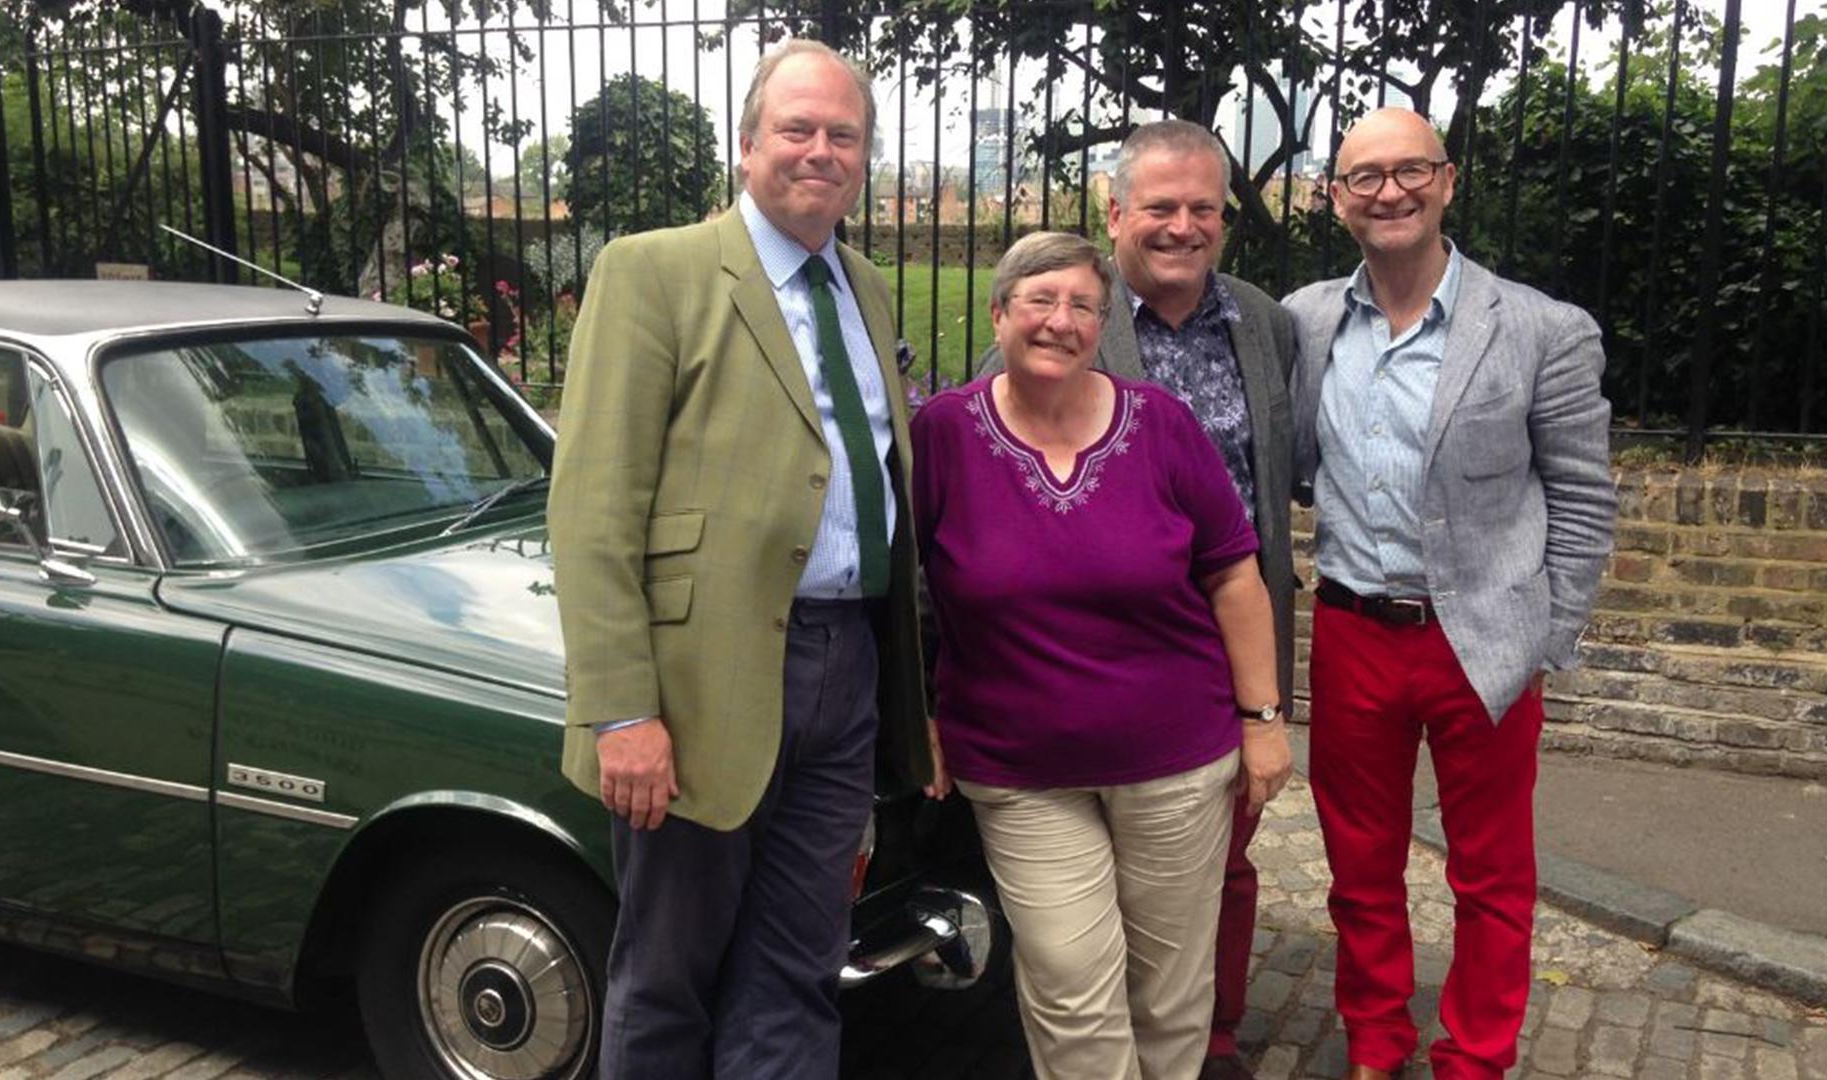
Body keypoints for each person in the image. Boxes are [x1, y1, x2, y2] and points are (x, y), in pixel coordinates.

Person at [546, 38, 939, 1080]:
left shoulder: (861, 281)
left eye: (842, 135)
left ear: (864, 156)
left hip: (844, 666)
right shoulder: (653, 271)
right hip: (698, 679)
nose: (820, 151)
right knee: (669, 972)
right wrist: (622, 708)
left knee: (800, 968)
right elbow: (593, 507)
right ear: (748, 143)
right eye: (798, 130)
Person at [1284, 107, 1617, 1080]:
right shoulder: (1304, 322)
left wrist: (1548, 633)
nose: (1389, 190)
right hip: (1352, 629)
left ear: (1449, 180)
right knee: (1359, 864)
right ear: (1336, 199)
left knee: (1493, 873)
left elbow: (1584, 497)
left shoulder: (1542, 330)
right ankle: (1376, 1042)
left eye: (1410, 170)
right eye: (1364, 177)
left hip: (1483, 635)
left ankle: (1475, 1055)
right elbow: (1295, 462)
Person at [914, 229, 1293, 1080]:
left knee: (1169, 994)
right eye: (1040, 300)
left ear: (1103, 320)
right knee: (1069, 983)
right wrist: (921, 713)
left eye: (1083, 305)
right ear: (999, 313)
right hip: (1019, 772)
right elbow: (904, 587)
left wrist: (1263, 720)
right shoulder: (942, 434)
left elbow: (1236, 573)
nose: (1061, 321)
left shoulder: (1159, 423)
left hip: (1175, 763)